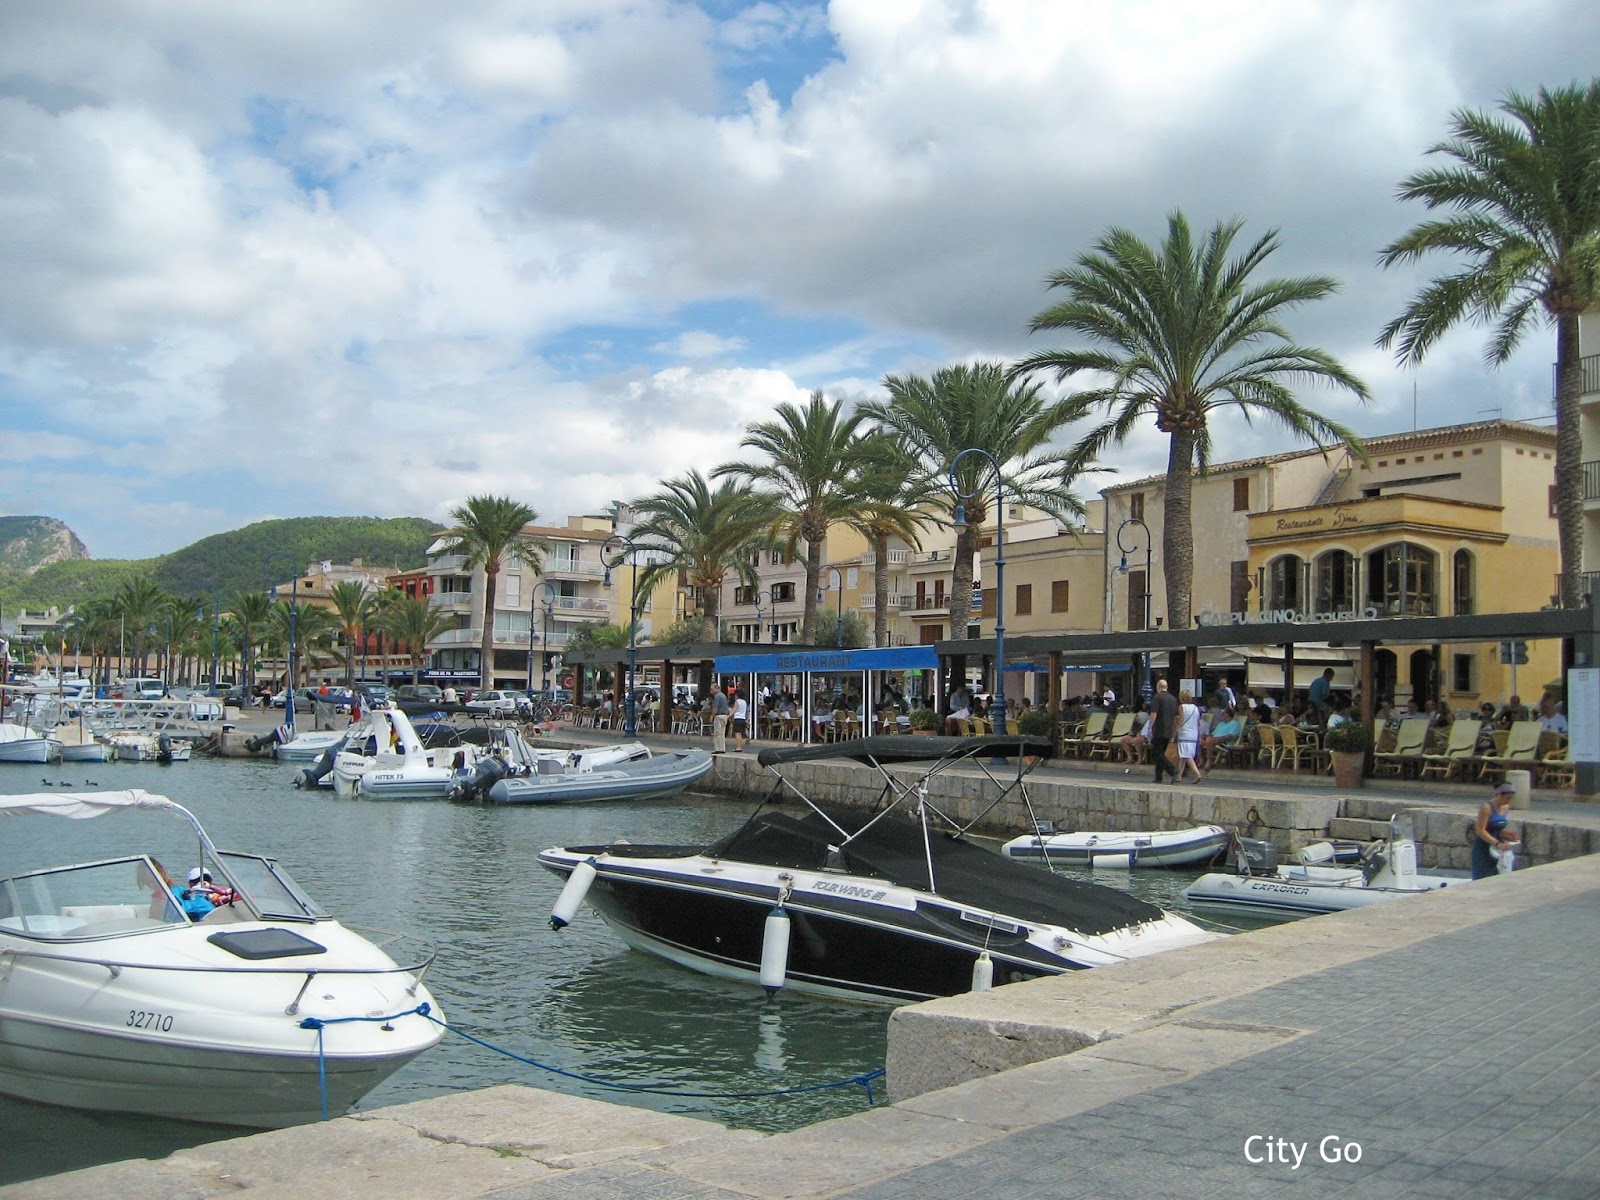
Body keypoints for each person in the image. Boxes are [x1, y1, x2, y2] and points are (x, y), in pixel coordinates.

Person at [1471, 781, 1521, 880]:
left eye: (1511, 798)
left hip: (1498, 848)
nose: (1509, 801)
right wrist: (1497, 843)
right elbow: (1480, 830)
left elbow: (1497, 828)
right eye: (1507, 798)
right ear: (1499, 795)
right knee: (1483, 877)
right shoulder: (1486, 808)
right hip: (1484, 848)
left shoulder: (1505, 807)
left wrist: (1508, 834)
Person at [1149, 679, 1179, 784]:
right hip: (1169, 729)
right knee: (1161, 753)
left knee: (1156, 754)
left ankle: (1172, 770)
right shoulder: (1173, 699)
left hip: (1159, 729)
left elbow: (1154, 713)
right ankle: (1158, 777)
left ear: (1158, 687)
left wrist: (1150, 727)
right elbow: (1176, 718)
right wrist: (1174, 732)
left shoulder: (1157, 697)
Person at [1176, 690, 1204, 782]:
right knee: (1184, 755)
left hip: (1184, 733)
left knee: (1186, 755)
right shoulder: (1196, 708)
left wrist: (1175, 732)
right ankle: (1179, 776)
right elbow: (1198, 723)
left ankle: (1197, 774)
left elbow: (1181, 721)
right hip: (1193, 733)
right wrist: (1199, 735)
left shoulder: (1182, 707)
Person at [710, 685, 731, 754]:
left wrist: (712, 716)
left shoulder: (717, 696)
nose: (711, 691)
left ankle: (718, 748)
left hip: (719, 715)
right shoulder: (723, 696)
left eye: (712, 689)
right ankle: (722, 748)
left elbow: (715, 708)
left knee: (717, 733)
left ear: (717, 688)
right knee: (722, 733)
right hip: (724, 715)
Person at [731, 687, 750, 752]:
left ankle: (738, 747)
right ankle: (740, 746)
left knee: (737, 733)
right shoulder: (744, 702)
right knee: (740, 733)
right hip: (743, 718)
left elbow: (734, 710)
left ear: (737, 695)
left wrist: (728, 716)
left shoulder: (737, 701)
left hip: (737, 718)